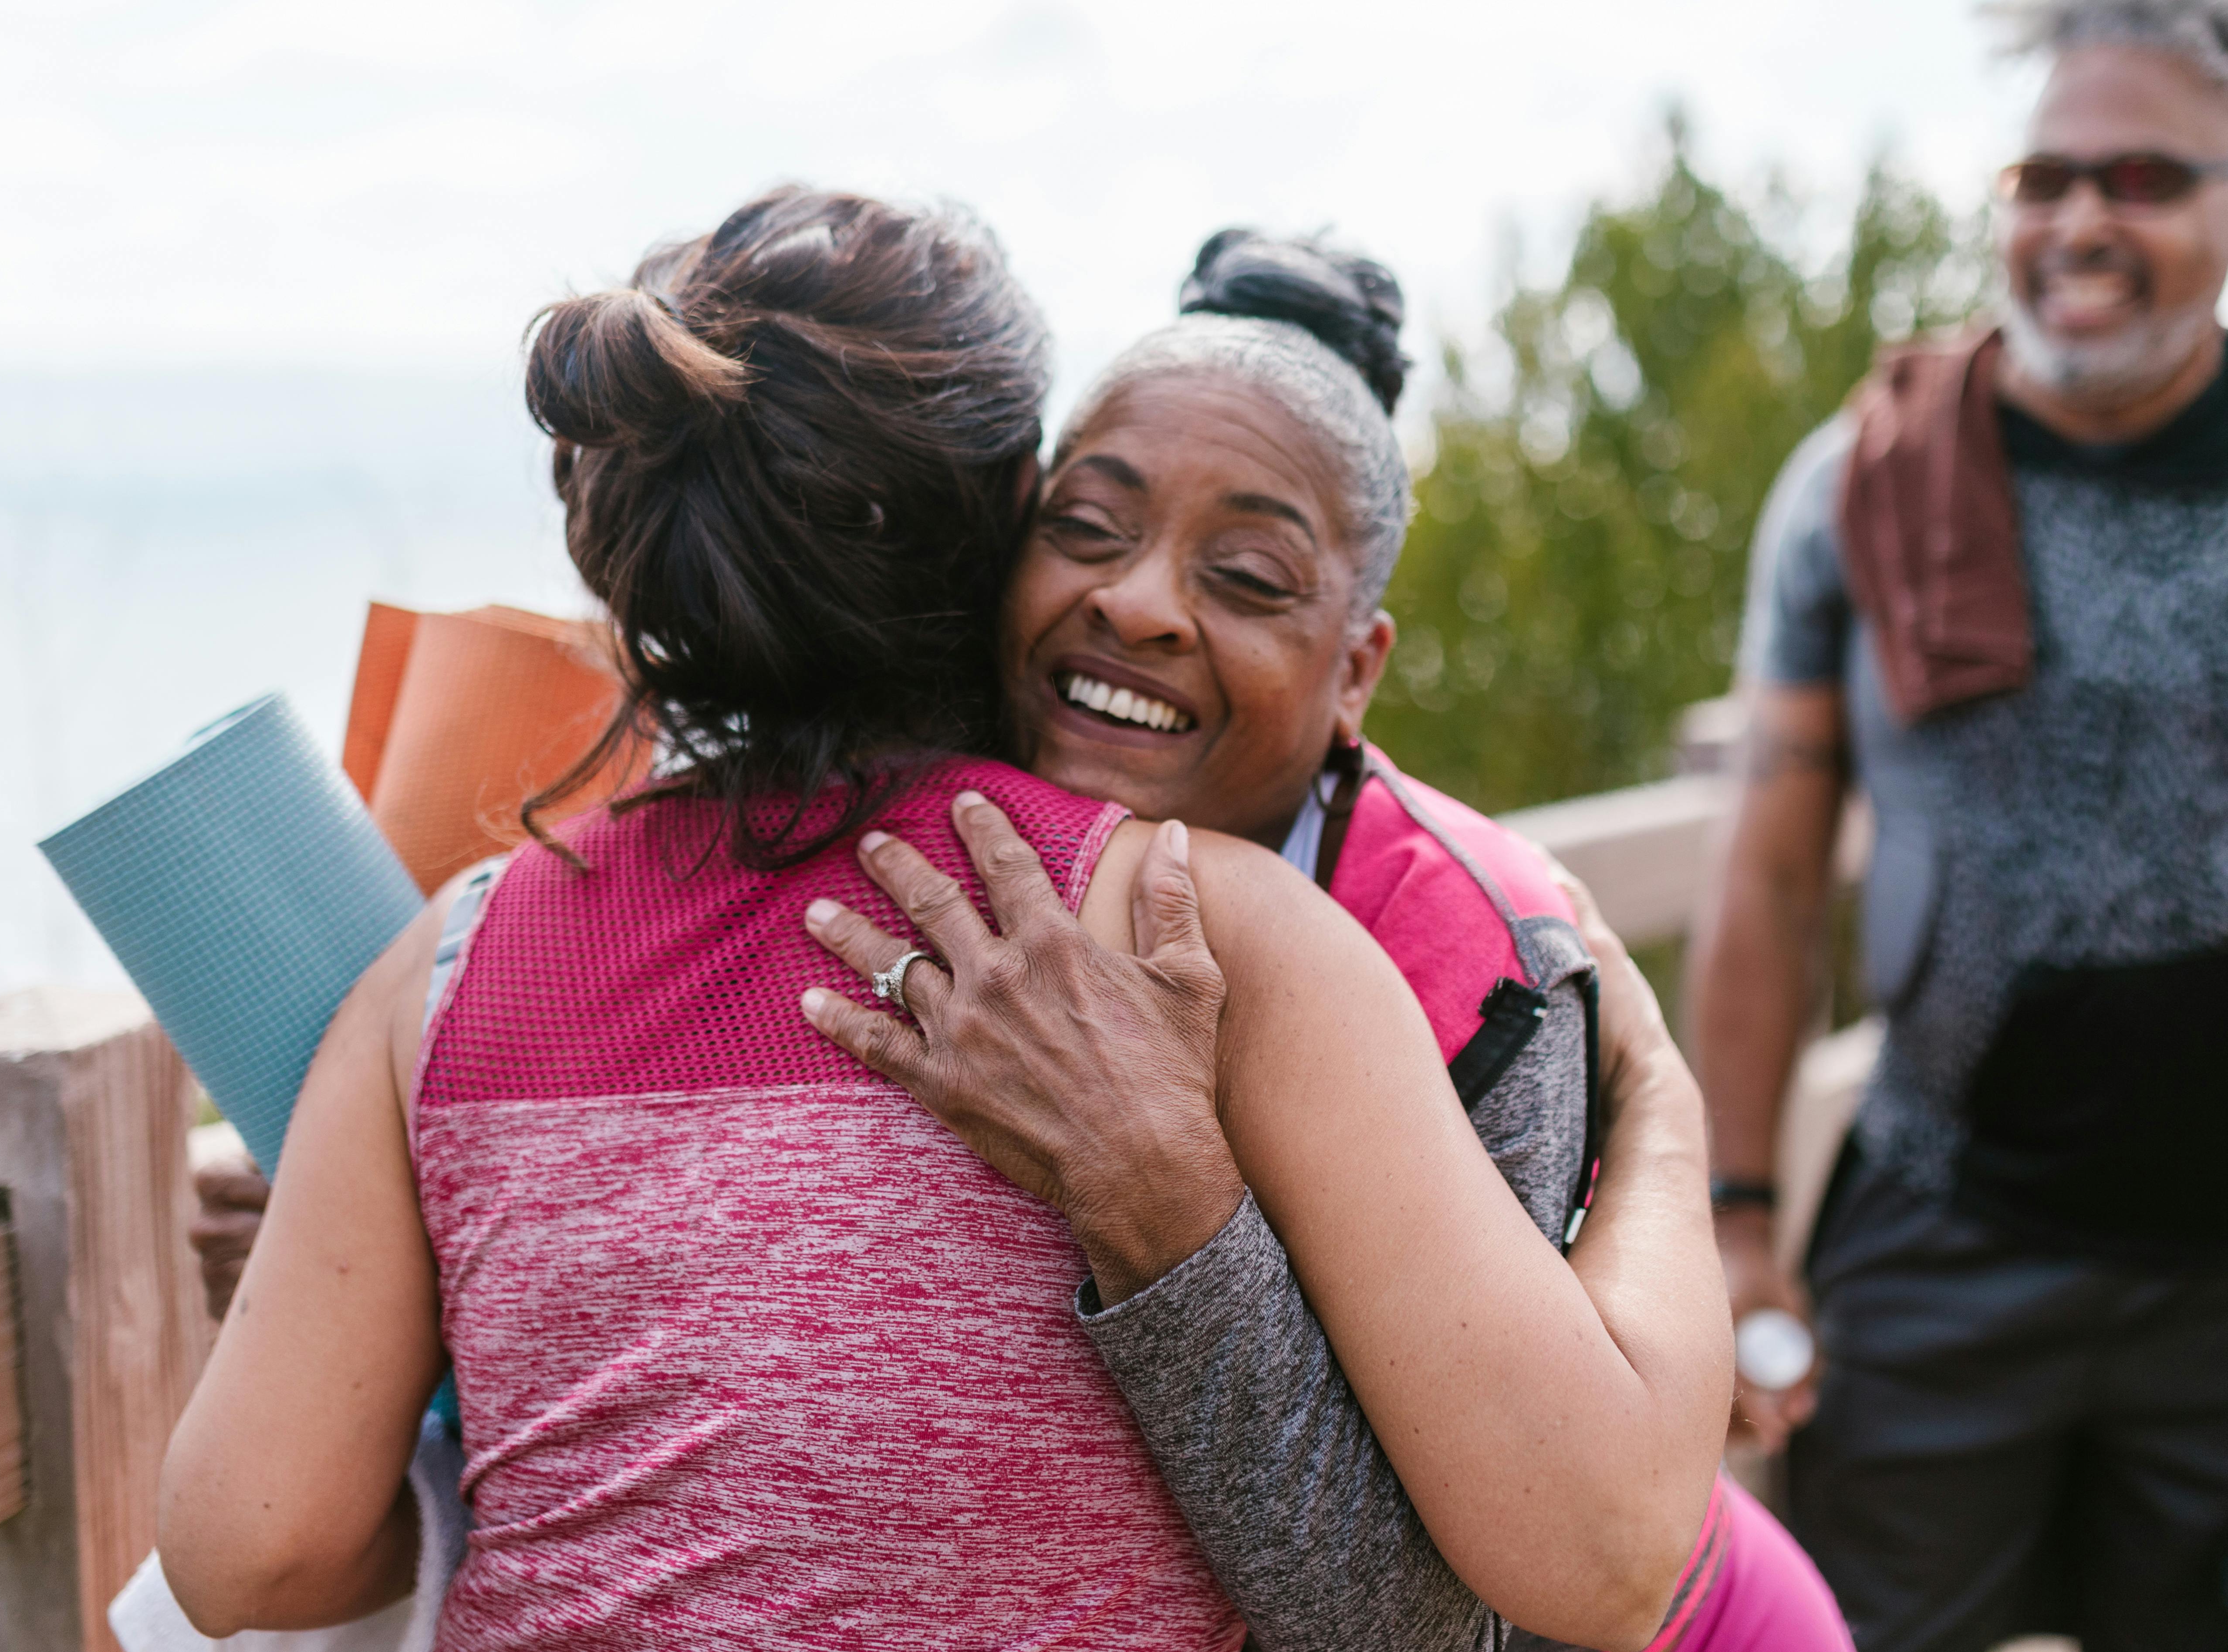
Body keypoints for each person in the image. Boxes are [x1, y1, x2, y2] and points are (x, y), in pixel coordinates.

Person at [157, 186, 1731, 1651]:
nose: (1138, 601)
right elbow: (1598, 1553)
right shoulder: (1210, 934)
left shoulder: (445, 965)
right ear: (998, 530)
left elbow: (247, 1548)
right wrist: (1656, 1100)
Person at [800, 232, 1850, 1651]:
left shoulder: (1475, 968)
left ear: (1357, 667)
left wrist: (1654, 1085)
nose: (1140, 601)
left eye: (1244, 575)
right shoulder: (921, 833)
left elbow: (1502, 1582)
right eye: (1089, 527)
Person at [1688, 3, 2228, 1645]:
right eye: (2041, 174)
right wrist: (1737, 1231)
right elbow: (1770, 882)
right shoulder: (1861, 482)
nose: (2078, 221)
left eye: (2141, 177)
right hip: (1937, 1245)